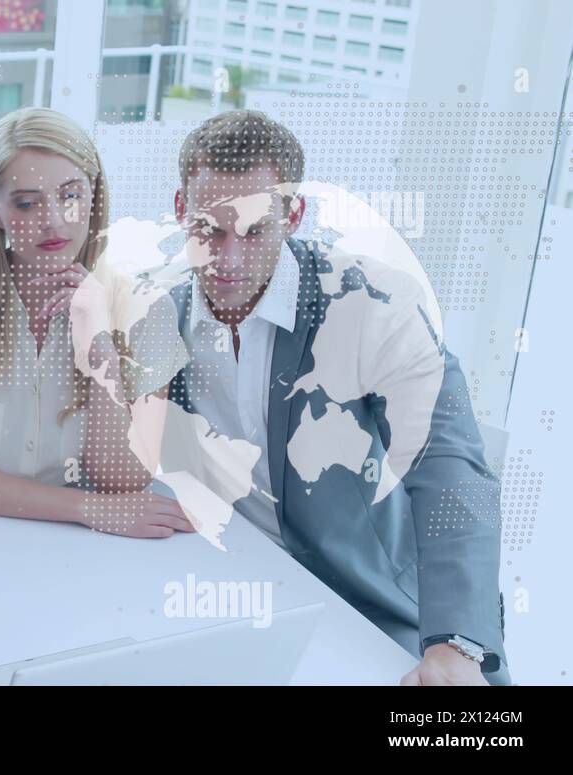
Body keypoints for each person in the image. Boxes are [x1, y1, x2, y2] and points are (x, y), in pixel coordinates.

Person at [164, 109, 507, 685]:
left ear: (293, 214)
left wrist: (457, 643)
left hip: (372, 602)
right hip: (233, 594)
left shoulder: (372, 306)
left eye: (253, 231)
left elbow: (452, 468)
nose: (227, 259)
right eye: (209, 230)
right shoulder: (163, 318)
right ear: (180, 209)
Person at [0, 107, 191, 537]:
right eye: (27, 203)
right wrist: (89, 508)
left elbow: (124, 479)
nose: (53, 220)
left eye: (70, 195)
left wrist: (99, 346)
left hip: (84, 556)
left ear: (94, 193)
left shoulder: (146, 308)